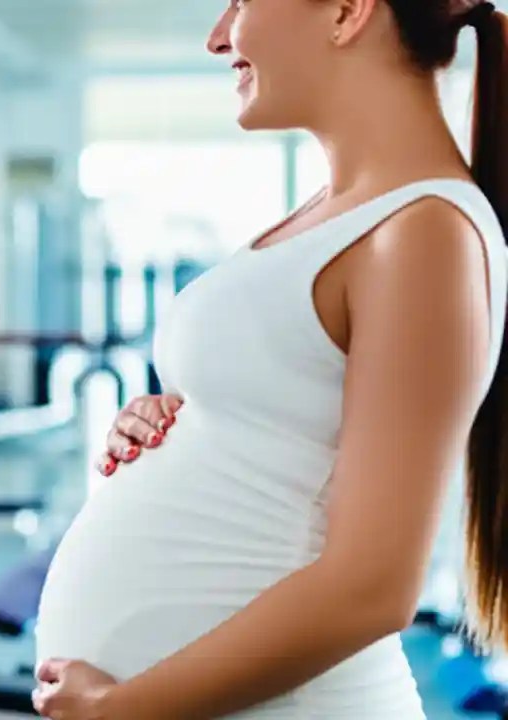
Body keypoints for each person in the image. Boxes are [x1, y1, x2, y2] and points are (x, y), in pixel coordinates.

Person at [32, 1, 508, 718]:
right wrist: (177, 429)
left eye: (241, 1)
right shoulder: (341, 213)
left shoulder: (426, 232)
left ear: (347, 11)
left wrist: (117, 710)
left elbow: (373, 586)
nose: (219, 36)